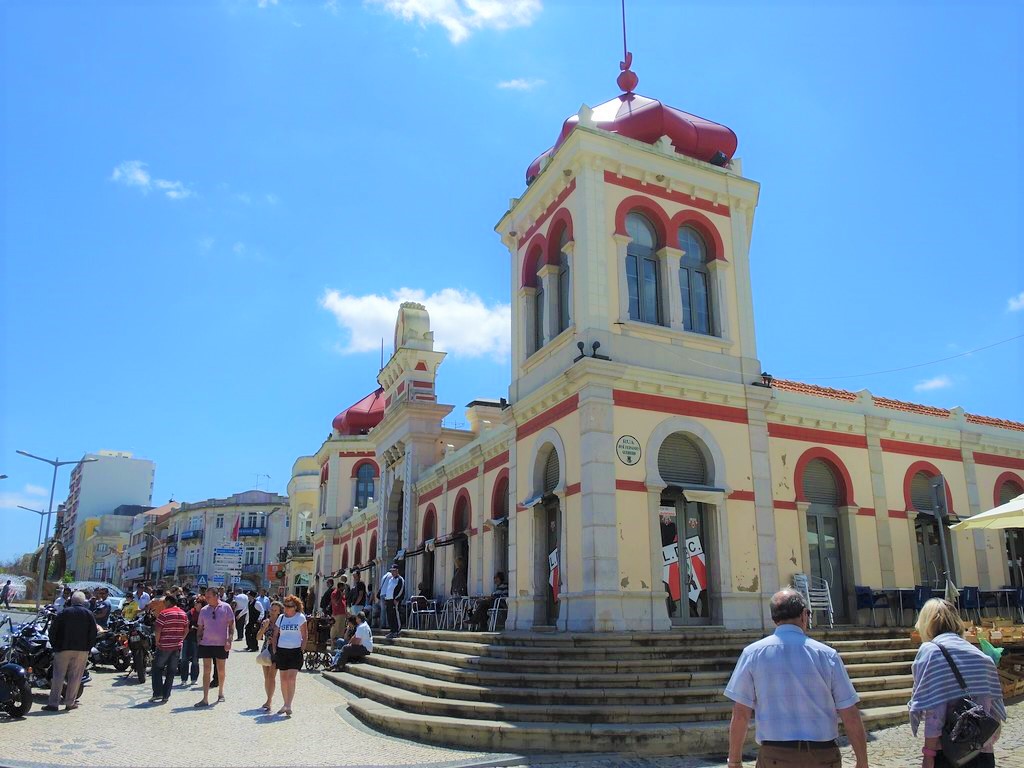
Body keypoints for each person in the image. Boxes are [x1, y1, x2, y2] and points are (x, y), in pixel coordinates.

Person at [724, 588, 868, 768]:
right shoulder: (827, 655)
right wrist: (862, 762)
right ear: (803, 615)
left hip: (775, 755)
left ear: (774, 619)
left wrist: (735, 761)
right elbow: (850, 714)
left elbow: (741, 714)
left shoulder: (752, 654)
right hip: (823, 755)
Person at [909, 598, 1006, 768]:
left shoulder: (930, 652)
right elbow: (995, 712)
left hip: (948, 752)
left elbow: (934, 712)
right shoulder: (983, 658)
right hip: (982, 752)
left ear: (926, 624)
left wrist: (928, 754)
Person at [44, 591, 96, 712]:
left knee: (58, 676)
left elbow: (53, 630)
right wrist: (88, 648)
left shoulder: (64, 612)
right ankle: (70, 703)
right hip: (81, 650)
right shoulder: (88, 614)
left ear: (72, 600)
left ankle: (53, 704)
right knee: (75, 677)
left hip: (63, 649)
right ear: (83, 602)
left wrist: (55, 646)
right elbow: (93, 633)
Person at [195, 587, 233, 707]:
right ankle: (205, 698)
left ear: (216, 596)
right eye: (206, 596)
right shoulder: (204, 610)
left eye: (209, 596)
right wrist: (198, 640)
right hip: (206, 644)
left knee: (220, 670)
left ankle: (220, 693)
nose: (206, 599)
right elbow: (200, 628)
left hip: (221, 644)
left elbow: (231, 626)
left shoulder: (226, 607)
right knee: (206, 670)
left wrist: (229, 640)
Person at [271, 594, 307, 716]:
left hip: (295, 651)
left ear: (295, 607)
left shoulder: (300, 617)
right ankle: (285, 703)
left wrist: (302, 649)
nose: (286, 608)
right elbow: (275, 634)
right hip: (282, 651)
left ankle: (289, 704)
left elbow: (304, 635)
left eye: (289, 606)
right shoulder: (281, 618)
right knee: (283, 679)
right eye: (285, 606)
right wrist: (275, 649)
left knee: (291, 678)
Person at [150, 594, 189, 703]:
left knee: (157, 668)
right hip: (176, 646)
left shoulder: (164, 613)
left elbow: (158, 630)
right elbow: (186, 629)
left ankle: (157, 693)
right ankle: (166, 695)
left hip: (164, 645)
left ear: (168, 602)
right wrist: (181, 639)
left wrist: (157, 642)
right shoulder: (183, 613)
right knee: (171, 672)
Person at [256, 601, 283, 711]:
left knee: (271, 677)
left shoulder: (281, 623)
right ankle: (268, 698)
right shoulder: (266, 622)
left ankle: (269, 701)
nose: (272, 612)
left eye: (275, 610)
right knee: (266, 678)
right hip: (266, 650)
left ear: (279, 612)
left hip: (276, 651)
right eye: (271, 610)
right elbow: (258, 637)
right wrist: (264, 628)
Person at [179, 594, 204, 685]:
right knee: (184, 659)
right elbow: (185, 625)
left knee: (195, 660)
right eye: (195, 603)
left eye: (198, 603)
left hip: (197, 639)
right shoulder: (190, 613)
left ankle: (194, 679)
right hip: (187, 638)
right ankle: (184, 679)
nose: (196, 604)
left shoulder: (204, 614)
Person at [378, 563, 405, 639]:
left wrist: (397, 599)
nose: (392, 572)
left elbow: (401, 590)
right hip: (388, 600)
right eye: (392, 571)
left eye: (394, 571)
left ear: (397, 571)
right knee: (389, 616)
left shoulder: (400, 579)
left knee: (396, 616)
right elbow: (388, 589)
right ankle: (392, 630)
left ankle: (397, 631)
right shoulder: (390, 579)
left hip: (395, 601)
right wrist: (386, 598)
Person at [329, 576, 349, 644]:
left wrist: (346, 612)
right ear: (340, 587)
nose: (344, 588)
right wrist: (341, 596)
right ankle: (333, 643)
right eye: (343, 587)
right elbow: (336, 603)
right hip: (337, 614)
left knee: (341, 630)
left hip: (342, 614)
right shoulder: (334, 593)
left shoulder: (342, 593)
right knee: (336, 629)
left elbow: (344, 603)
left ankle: (339, 643)